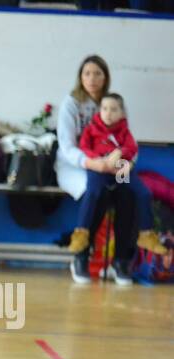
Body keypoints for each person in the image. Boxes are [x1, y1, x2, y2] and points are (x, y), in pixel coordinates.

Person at [54, 54, 164, 285]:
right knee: (96, 193)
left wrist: (127, 163)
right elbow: (67, 147)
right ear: (80, 77)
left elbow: (129, 144)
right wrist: (95, 163)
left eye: (98, 73)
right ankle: (81, 256)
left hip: (115, 164)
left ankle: (122, 260)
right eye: (87, 73)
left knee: (129, 192)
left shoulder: (114, 102)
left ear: (106, 77)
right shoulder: (71, 104)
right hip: (79, 164)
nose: (92, 78)